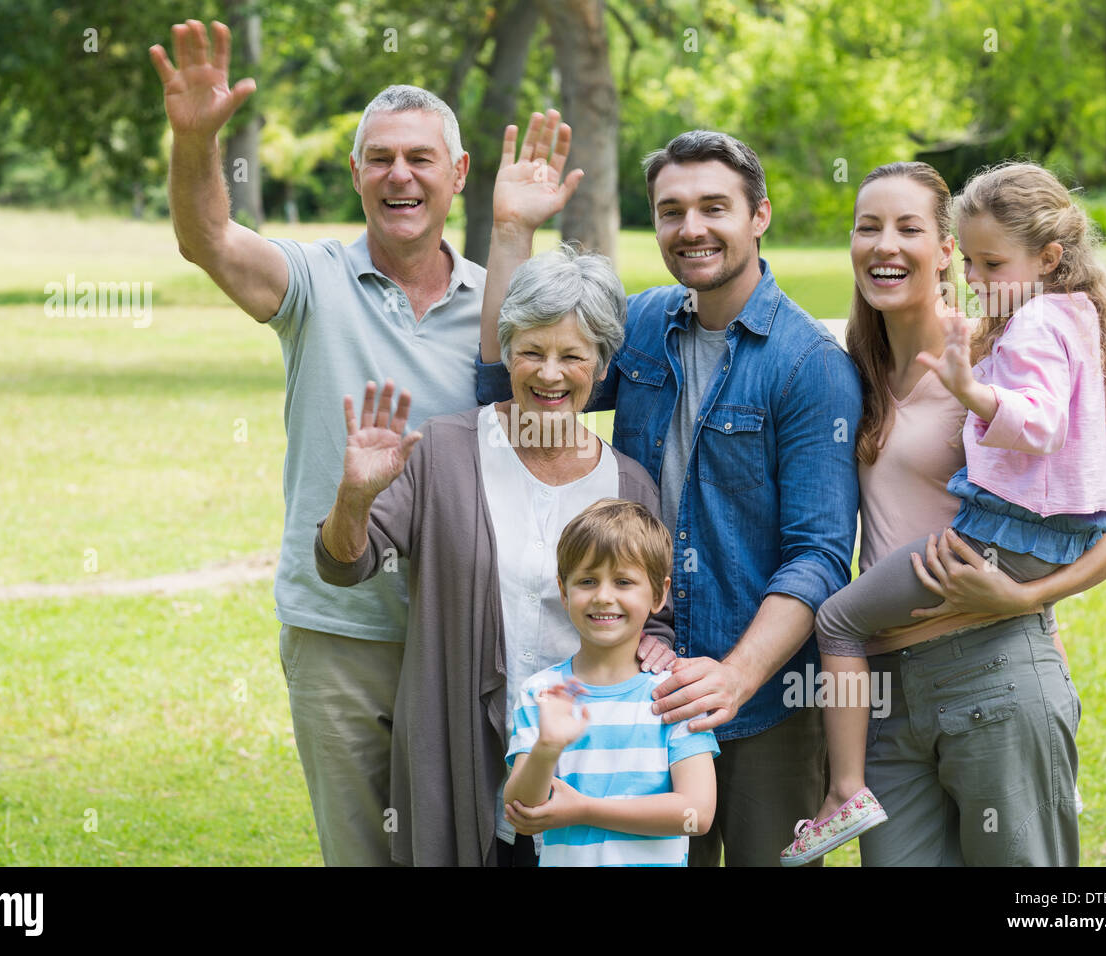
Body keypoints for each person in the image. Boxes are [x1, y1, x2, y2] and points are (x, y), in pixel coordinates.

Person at [478, 117, 862, 865]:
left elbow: (817, 556)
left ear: (760, 216)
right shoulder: (645, 323)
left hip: (761, 706)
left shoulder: (809, 363)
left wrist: (737, 674)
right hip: (638, 690)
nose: (692, 228)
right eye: (671, 211)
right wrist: (511, 232)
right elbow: (519, 377)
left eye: (714, 207)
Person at [149, 20, 486, 865]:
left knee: (465, 849)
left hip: (468, 629)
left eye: (418, 157)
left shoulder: (499, 303)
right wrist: (197, 141)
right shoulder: (310, 282)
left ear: (457, 175)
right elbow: (209, 240)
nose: (398, 174)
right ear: (356, 175)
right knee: (363, 852)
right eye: (379, 158)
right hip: (339, 628)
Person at [793, 161, 1106, 866]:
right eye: (868, 227)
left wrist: (1026, 594)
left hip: (990, 667)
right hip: (887, 691)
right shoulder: (847, 371)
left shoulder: (994, 363)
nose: (884, 245)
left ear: (946, 249)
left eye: (908, 228)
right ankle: (848, 788)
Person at [315, 247, 676, 866]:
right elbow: (345, 563)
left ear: (603, 365)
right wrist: (353, 497)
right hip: (460, 755)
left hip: (589, 778)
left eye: (573, 356)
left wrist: (658, 642)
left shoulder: (629, 483)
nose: (550, 374)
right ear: (506, 352)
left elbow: (651, 616)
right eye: (532, 351)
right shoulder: (444, 452)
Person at [502, 499, 719, 866]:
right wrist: (547, 747)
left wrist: (585, 810)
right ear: (564, 590)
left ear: (658, 594)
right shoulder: (542, 693)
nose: (603, 596)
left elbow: (697, 813)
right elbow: (523, 812)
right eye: (587, 581)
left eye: (623, 581)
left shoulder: (674, 695)